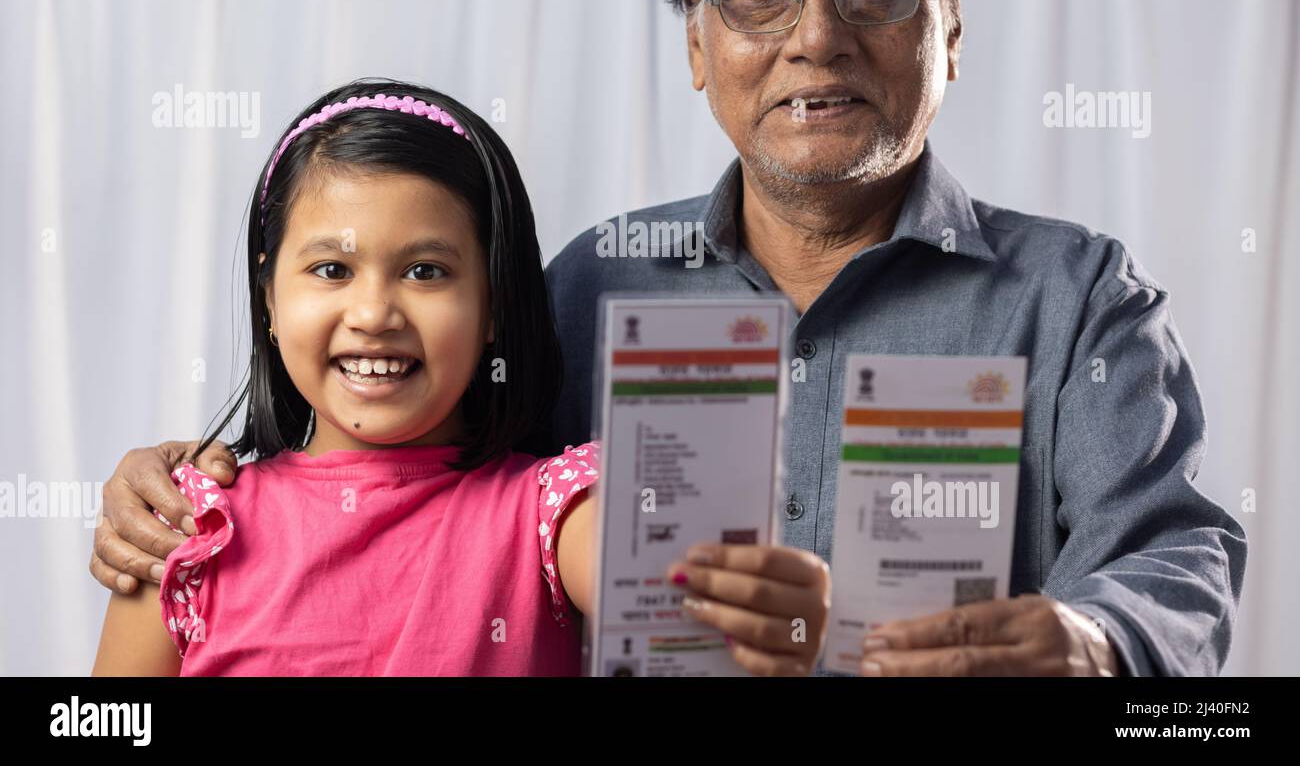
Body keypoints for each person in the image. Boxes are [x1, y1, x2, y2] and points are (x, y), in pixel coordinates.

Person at [92, 0, 1246, 676]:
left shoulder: (1076, 298)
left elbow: (1178, 565)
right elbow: (393, 461)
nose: (815, 34)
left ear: (951, 22)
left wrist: (1089, 640)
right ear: (697, 43)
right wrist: (181, 483)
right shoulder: (591, 284)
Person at [90, 79, 830, 676]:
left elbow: (660, 572)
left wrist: (743, 605)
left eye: (426, 271)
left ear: (496, 308)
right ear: (271, 299)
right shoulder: (190, 529)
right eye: (331, 270)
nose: (374, 311)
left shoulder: (554, 509)